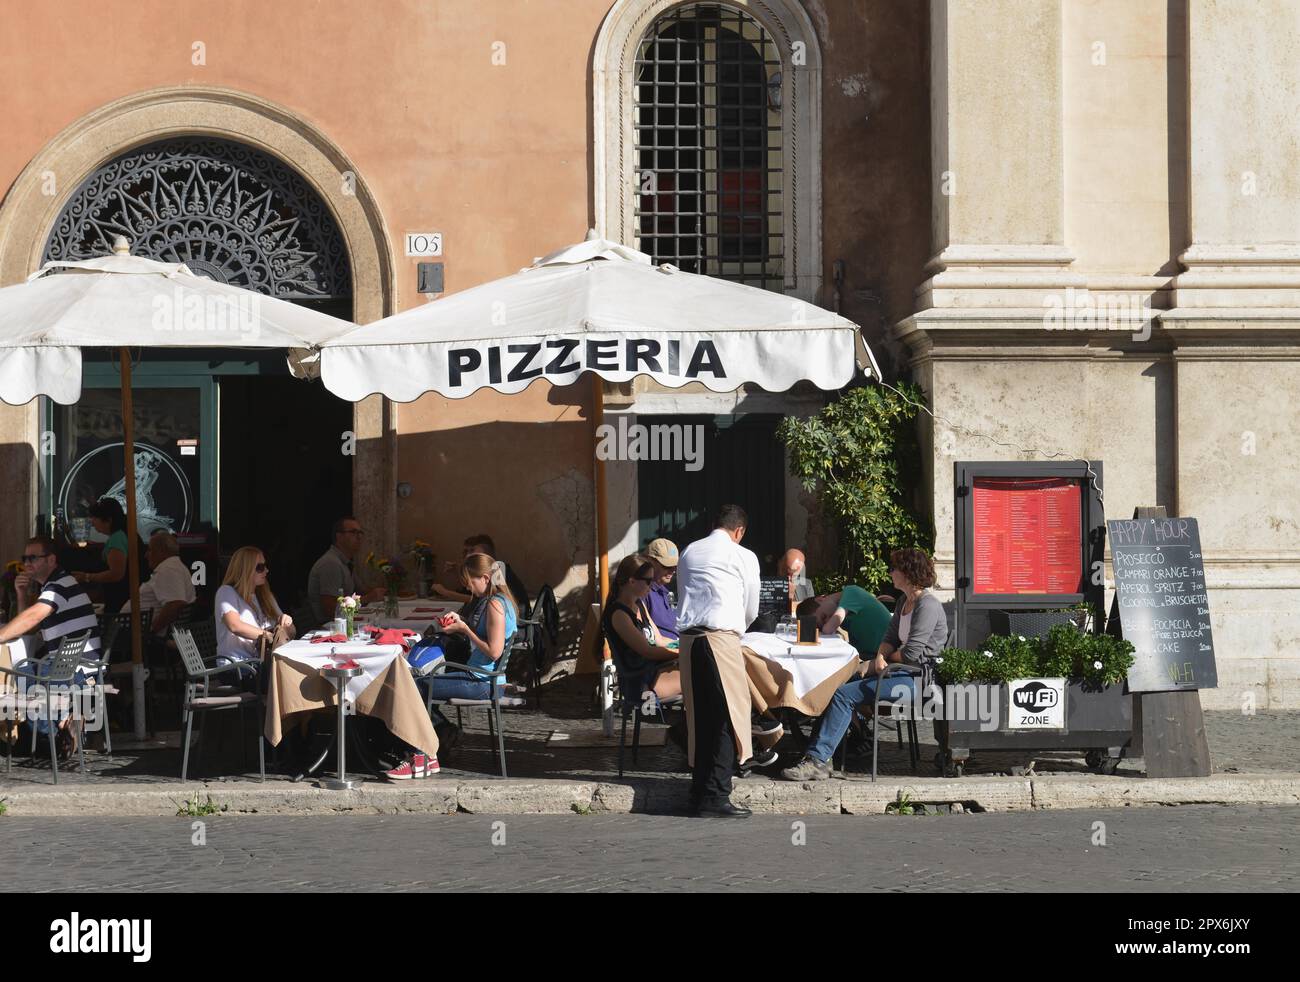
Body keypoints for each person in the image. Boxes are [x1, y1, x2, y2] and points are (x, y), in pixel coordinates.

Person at [781, 547, 948, 781]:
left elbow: (912, 653)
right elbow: (889, 638)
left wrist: (883, 660)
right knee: (835, 686)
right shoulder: (904, 601)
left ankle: (819, 760)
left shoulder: (927, 605)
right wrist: (880, 656)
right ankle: (819, 754)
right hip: (897, 671)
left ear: (908, 573)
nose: (890, 573)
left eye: (894, 569)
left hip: (918, 678)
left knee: (843, 695)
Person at [393, 553, 519, 780]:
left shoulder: (495, 606)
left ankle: (420, 756)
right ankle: (430, 749)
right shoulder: (499, 602)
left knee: (414, 688)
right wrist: (459, 623)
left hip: (483, 681)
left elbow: (494, 651)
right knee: (416, 683)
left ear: (485, 579)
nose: (469, 589)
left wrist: (464, 629)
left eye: (470, 583)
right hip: (480, 676)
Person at [675, 504, 762, 819]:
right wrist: (738, 629)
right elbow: (750, 606)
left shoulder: (689, 551)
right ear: (739, 531)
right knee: (728, 717)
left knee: (699, 718)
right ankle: (716, 796)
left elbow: (684, 593)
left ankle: (699, 792)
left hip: (688, 641)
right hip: (721, 638)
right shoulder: (743, 555)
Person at [0, 536, 103, 755]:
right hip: (80, 671)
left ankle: (60, 724)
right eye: (24, 558)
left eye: (33, 558)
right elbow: (29, 627)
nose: (27, 563)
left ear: (51, 559)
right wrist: (21, 595)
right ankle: (66, 723)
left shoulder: (59, 586)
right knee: (26, 670)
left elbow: (33, 617)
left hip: (74, 675)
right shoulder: (56, 584)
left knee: (17, 676)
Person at [602, 554, 680, 702]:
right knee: (701, 678)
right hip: (640, 682)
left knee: (705, 674)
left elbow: (659, 640)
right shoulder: (619, 614)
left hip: (655, 672)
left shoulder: (639, 605)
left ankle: (688, 725)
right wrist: (682, 652)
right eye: (648, 581)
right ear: (632, 581)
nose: (652, 586)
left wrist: (684, 646)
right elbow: (647, 651)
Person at [214, 547, 295, 685]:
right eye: (260, 567)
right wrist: (269, 636)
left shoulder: (264, 595)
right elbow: (235, 625)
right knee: (288, 680)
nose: (266, 571)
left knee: (294, 675)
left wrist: (287, 623)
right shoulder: (226, 592)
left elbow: (291, 632)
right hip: (236, 667)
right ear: (245, 569)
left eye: (265, 566)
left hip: (260, 665)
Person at [305, 517, 384, 627]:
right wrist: (368, 598)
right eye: (353, 532)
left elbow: (362, 590)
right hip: (328, 627)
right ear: (339, 536)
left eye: (360, 532)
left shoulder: (345, 562)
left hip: (344, 621)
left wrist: (390, 590)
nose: (359, 537)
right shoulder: (331, 563)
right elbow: (330, 609)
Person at [73, 497, 144, 614]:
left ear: (108, 520)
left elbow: (116, 574)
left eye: (95, 518)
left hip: (120, 602)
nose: (92, 521)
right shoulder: (123, 534)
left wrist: (86, 577)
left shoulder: (117, 539)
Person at [432, 533, 529, 612]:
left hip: (517, 624)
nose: (467, 555)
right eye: (466, 552)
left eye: (472, 552)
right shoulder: (495, 568)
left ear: (485, 557)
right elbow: (474, 594)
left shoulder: (498, 570)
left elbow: (476, 600)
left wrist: (445, 592)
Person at [127, 531, 196, 639]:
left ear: (161, 551)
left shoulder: (169, 569)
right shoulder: (173, 567)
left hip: (139, 637)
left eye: (149, 550)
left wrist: (152, 631)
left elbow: (175, 604)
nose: (146, 555)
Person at [642, 537, 679, 642]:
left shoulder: (663, 590)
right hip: (663, 652)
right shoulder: (643, 592)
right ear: (649, 562)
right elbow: (647, 637)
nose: (673, 570)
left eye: (675, 566)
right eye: (667, 566)